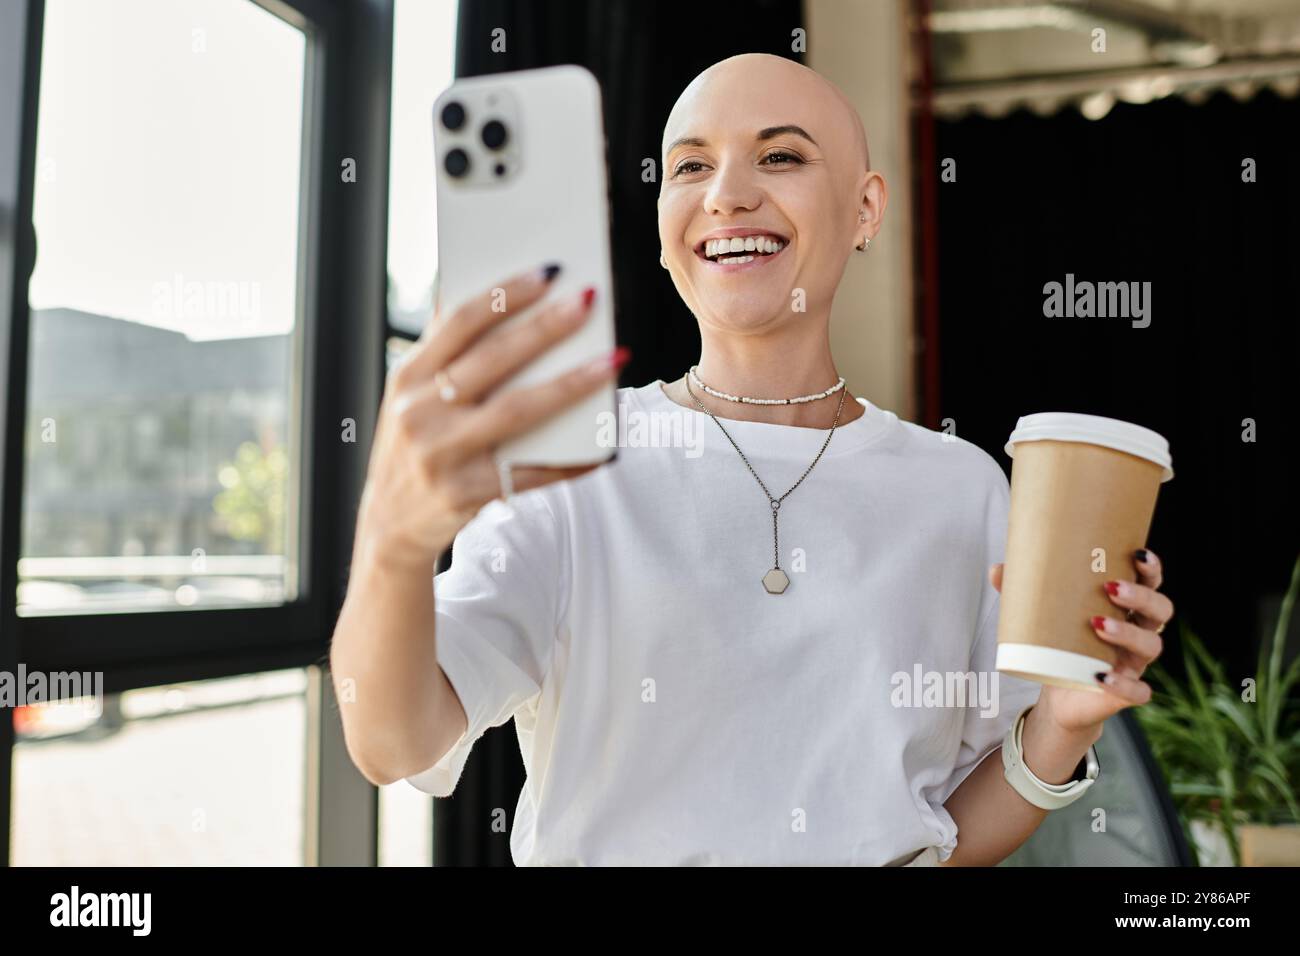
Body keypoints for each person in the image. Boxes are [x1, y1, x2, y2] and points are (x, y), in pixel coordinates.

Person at [329, 53, 1174, 866]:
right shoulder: (570, 466)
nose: (728, 196)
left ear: (867, 208)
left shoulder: (962, 487)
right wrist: (393, 543)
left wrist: (1065, 720)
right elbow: (395, 740)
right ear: (662, 230)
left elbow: (947, 828)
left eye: (779, 155)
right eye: (689, 168)